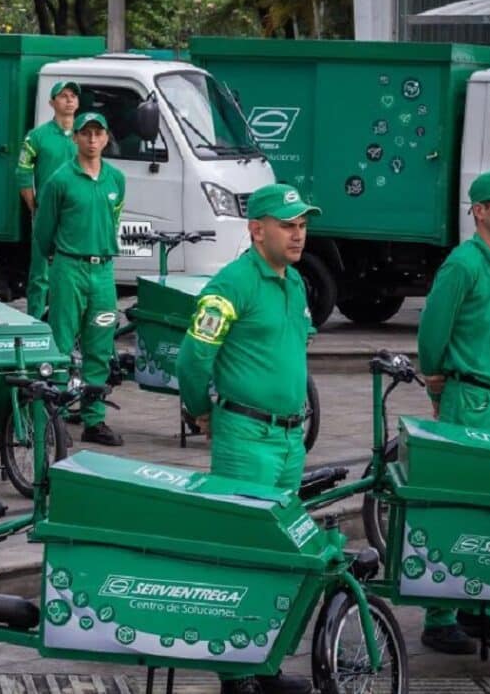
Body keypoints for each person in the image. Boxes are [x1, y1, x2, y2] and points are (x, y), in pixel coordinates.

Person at [175, 182, 318, 694]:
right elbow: (193, 356)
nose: (298, 234)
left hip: (288, 441)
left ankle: (267, 664)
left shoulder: (295, 284)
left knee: (279, 557)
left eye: (302, 225)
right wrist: (199, 412)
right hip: (245, 437)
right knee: (241, 555)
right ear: (257, 230)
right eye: (287, 225)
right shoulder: (231, 284)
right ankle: (235, 674)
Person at [415, 170, 490, 654]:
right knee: (458, 504)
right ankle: (438, 617)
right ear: (478, 211)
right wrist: (436, 378)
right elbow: (431, 331)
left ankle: (477, 607)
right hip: (471, 399)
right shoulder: (462, 265)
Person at [32, 111, 124, 447]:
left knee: (99, 345)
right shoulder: (60, 180)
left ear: (105, 137)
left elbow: (113, 219)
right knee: (61, 342)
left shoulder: (116, 179)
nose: (91, 139)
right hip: (69, 268)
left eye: (98, 133)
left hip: (104, 271)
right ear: (76, 139)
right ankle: (51, 420)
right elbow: (43, 230)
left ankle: (93, 420)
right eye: (85, 133)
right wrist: (56, 259)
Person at [16, 80, 80, 319]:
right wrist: (34, 206)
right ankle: (34, 321)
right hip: (48, 215)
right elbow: (23, 173)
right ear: (52, 102)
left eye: (73, 95)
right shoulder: (37, 136)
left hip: (77, 215)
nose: (69, 100)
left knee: (73, 272)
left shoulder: (85, 135)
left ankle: (69, 322)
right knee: (40, 274)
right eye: (63, 96)